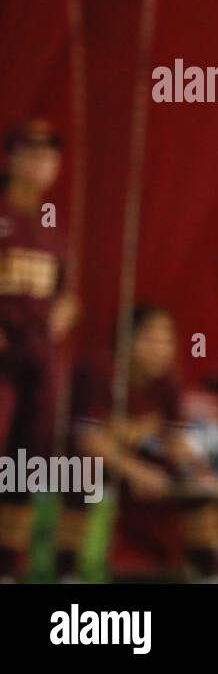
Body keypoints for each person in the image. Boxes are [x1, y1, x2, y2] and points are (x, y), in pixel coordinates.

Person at [61, 305, 218, 582]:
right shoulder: (100, 370)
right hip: (90, 461)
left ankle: (208, 572)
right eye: (151, 339)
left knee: (199, 486)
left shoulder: (168, 378)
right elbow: (88, 441)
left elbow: (174, 440)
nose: (161, 348)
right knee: (81, 474)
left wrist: (199, 470)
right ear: (126, 341)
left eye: (168, 340)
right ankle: (67, 571)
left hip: (141, 462)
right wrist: (136, 471)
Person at [0, 118, 78, 582]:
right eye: (29, 152)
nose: (39, 163)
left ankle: (7, 564)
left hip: (40, 358)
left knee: (28, 460)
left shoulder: (51, 224)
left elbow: (66, 292)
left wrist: (66, 310)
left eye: (48, 155)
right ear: (10, 158)